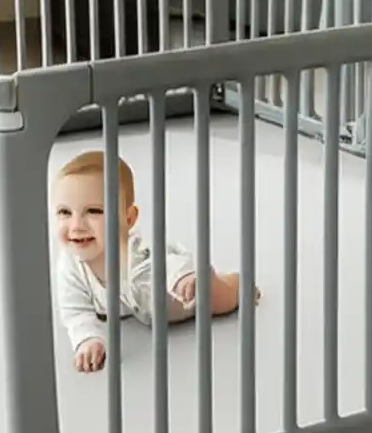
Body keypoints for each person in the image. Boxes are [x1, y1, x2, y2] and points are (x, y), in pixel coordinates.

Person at [51, 150, 257, 372]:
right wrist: (88, 339)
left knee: (217, 300)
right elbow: (75, 311)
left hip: (175, 299)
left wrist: (183, 278)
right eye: (65, 212)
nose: (76, 225)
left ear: (128, 219)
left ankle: (235, 283)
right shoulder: (70, 264)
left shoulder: (137, 250)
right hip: (139, 310)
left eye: (93, 211)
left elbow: (167, 260)